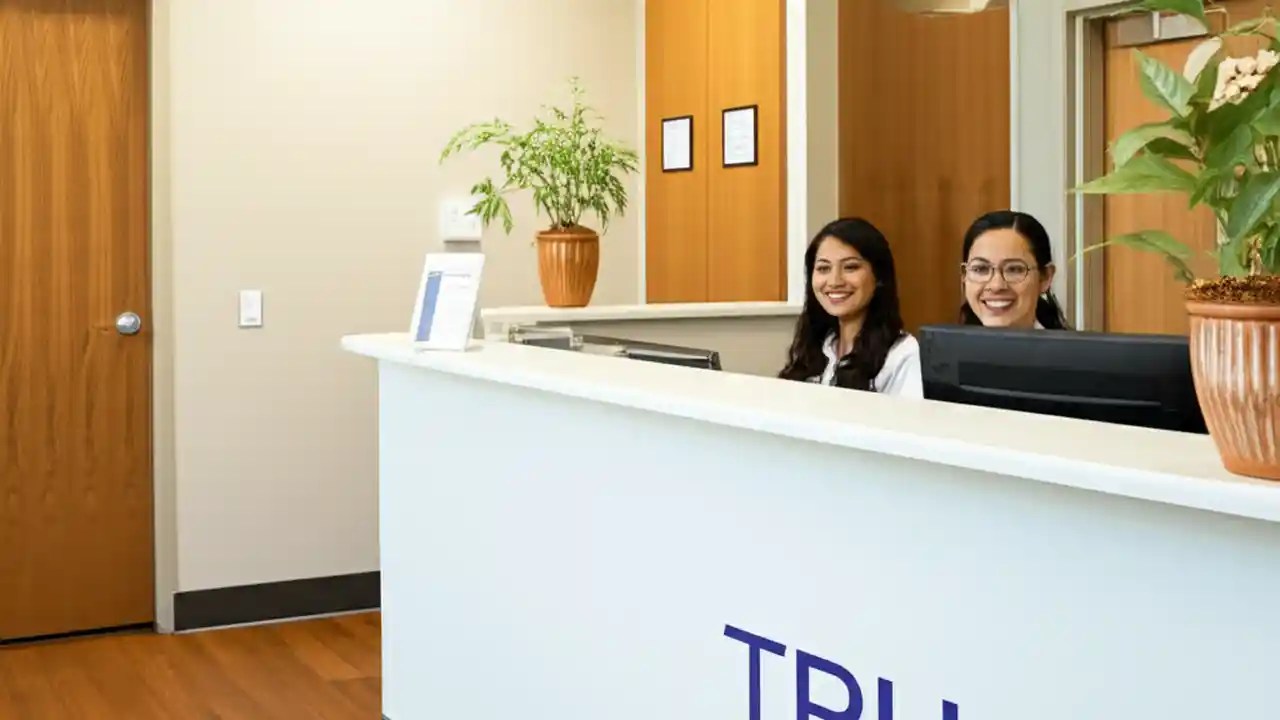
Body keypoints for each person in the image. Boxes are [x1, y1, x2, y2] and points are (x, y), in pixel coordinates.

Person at [779, 217, 922, 397]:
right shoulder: (819, 343)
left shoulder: (901, 352)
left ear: (879, 277)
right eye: (823, 269)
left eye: (850, 267)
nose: (834, 281)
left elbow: (905, 423)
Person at [959, 210, 1070, 330]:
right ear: (964, 276)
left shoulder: (1075, 349)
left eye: (1014, 269)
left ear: (1045, 278)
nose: (997, 286)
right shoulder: (942, 347)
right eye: (981, 269)